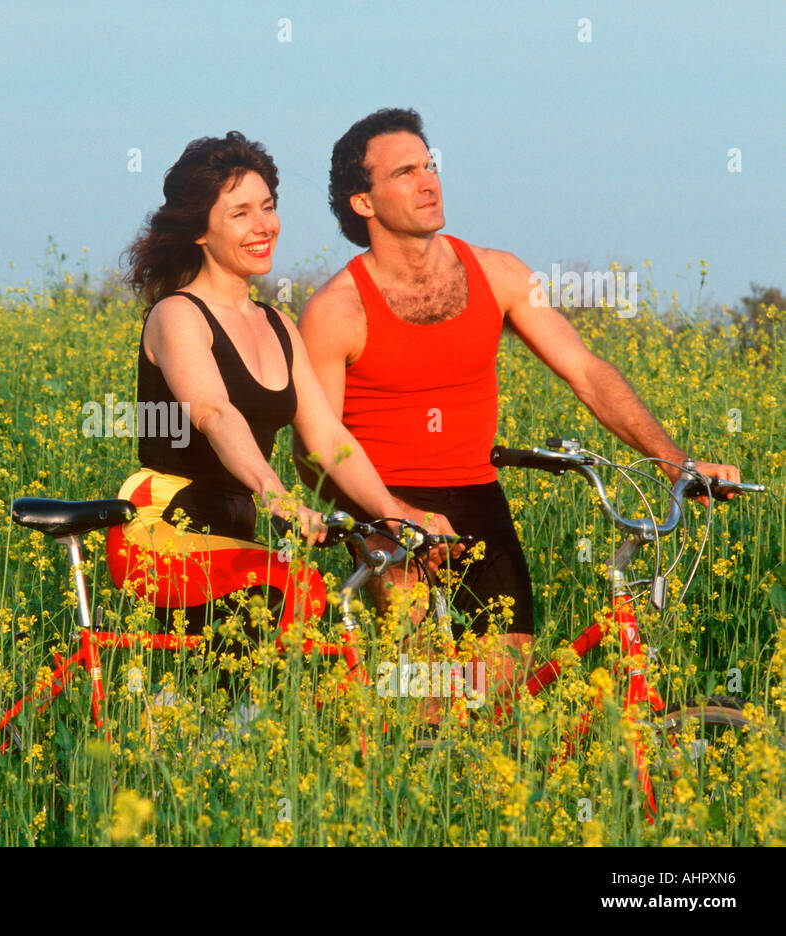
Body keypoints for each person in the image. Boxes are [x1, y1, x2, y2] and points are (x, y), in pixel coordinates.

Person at [294, 107, 742, 696]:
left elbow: (585, 370)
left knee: (500, 694)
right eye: (405, 172)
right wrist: (386, 520)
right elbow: (313, 451)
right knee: (429, 701)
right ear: (364, 202)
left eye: (430, 166)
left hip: (479, 498)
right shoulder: (336, 310)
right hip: (387, 510)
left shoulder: (499, 274)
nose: (429, 181)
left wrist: (670, 458)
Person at [105, 131, 455, 694]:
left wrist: (394, 513)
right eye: (240, 212)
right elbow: (216, 413)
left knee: (285, 642)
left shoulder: (278, 325)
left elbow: (325, 434)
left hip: (238, 532)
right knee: (292, 595)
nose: (262, 225)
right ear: (200, 229)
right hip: (162, 526)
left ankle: (237, 751)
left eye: (267, 206)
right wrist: (277, 494)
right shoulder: (177, 316)